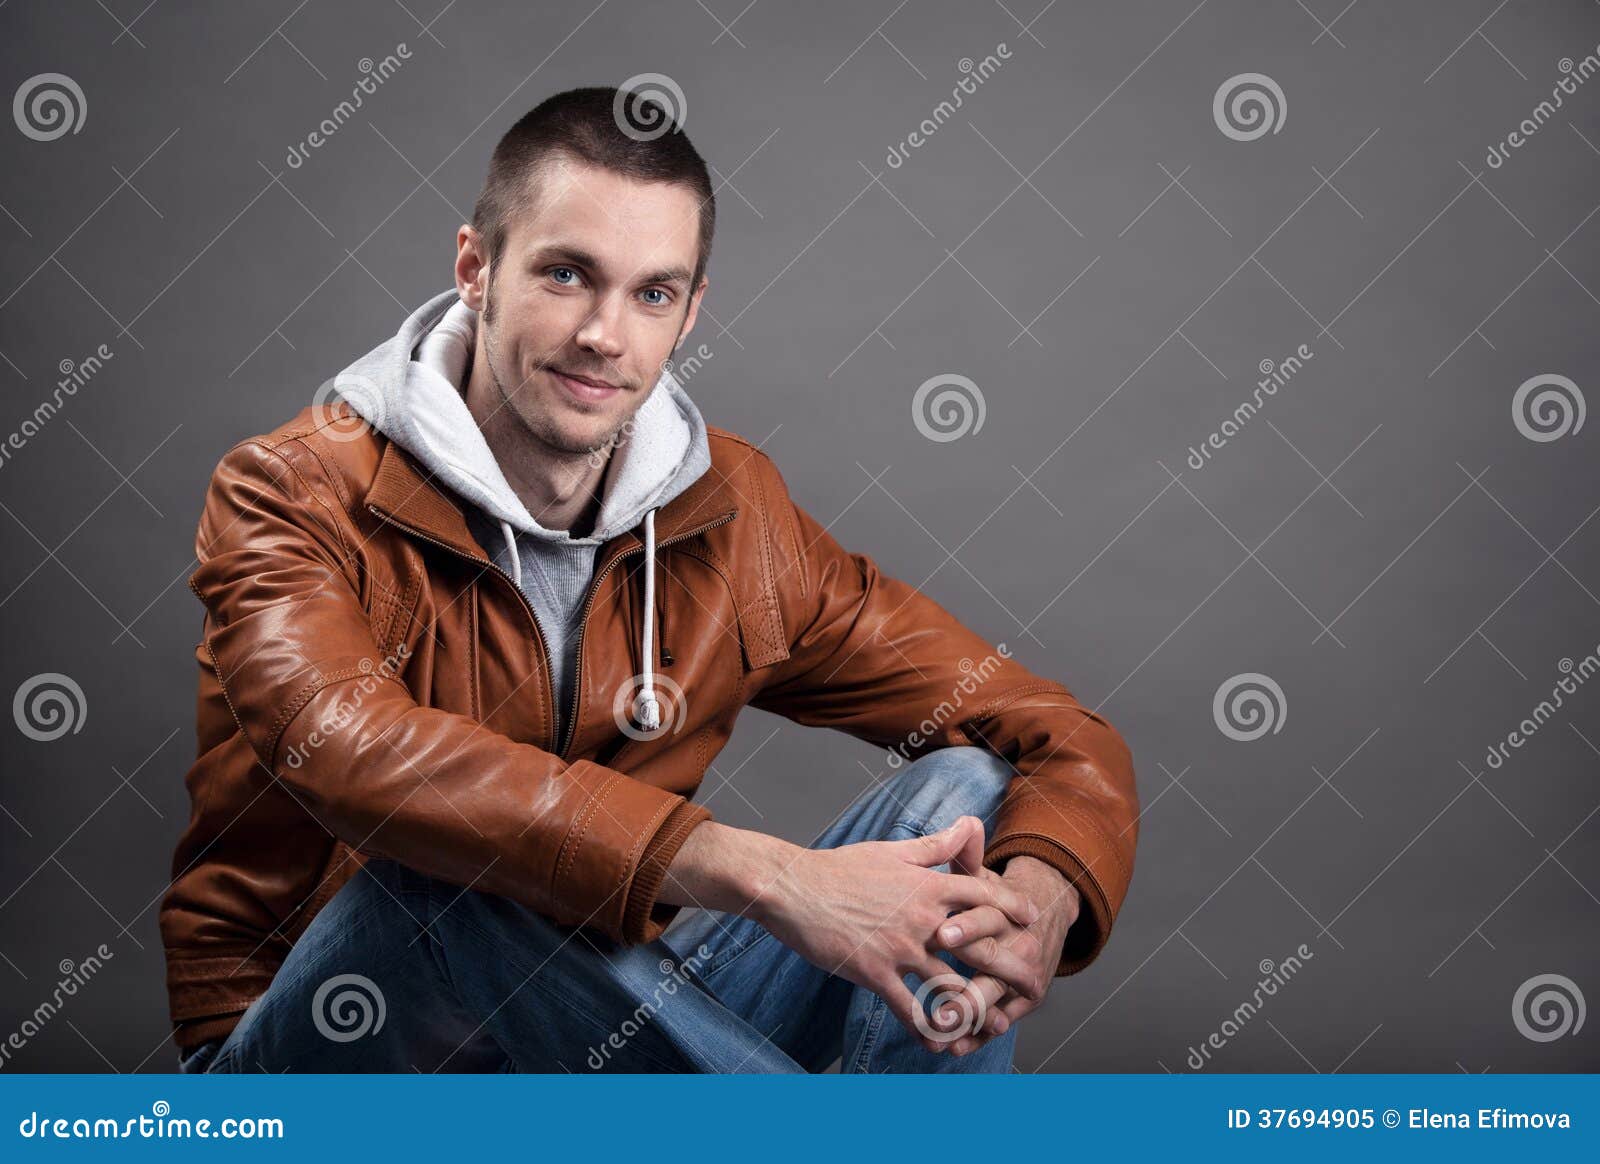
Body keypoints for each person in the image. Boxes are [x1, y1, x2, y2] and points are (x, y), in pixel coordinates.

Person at [160, 86, 1138, 1074]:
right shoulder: (294, 489)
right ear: (475, 269)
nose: (604, 335)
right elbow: (355, 755)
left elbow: (1054, 732)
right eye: (567, 275)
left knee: (967, 793)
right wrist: (766, 876)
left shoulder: (731, 517)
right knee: (427, 883)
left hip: (594, 1020)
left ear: (690, 311)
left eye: (651, 293)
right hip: (347, 1041)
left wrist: (1041, 893)